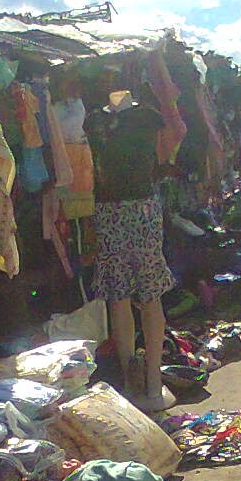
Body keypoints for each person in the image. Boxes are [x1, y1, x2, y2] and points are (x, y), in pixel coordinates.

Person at [85, 87, 176, 413]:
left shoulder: (147, 115)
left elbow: (170, 145)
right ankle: (130, 377)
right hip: (108, 210)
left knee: (149, 294)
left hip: (142, 208)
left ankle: (153, 376)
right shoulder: (94, 120)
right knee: (117, 294)